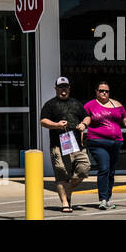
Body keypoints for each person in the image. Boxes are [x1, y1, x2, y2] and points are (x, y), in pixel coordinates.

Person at [83, 80, 126, 209]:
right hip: (97, 141)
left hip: (115, 142)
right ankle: (103, 199)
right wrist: (81, 134)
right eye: (101, 90)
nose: (104, 93)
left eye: (106, 91)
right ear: (96, 92)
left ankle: (108, 199)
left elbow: (125, 120)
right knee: (104, 168)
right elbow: (84, 120)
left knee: (111, 171)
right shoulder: (90, 105)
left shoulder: (117, 104)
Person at [37, 76, 90, 213]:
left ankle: (68, 190)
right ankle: (65, 203)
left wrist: (83, 124)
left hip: (77, 144)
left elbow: (87, 116)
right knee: (62, 174)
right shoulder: (50, 104)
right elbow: (43, 121)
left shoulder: (77, 103)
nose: (63, 89)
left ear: (69, 88)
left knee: (84, 169)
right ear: (56, 88)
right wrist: (56, 125)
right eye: (60, 87)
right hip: (59, 145)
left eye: (65, 87)